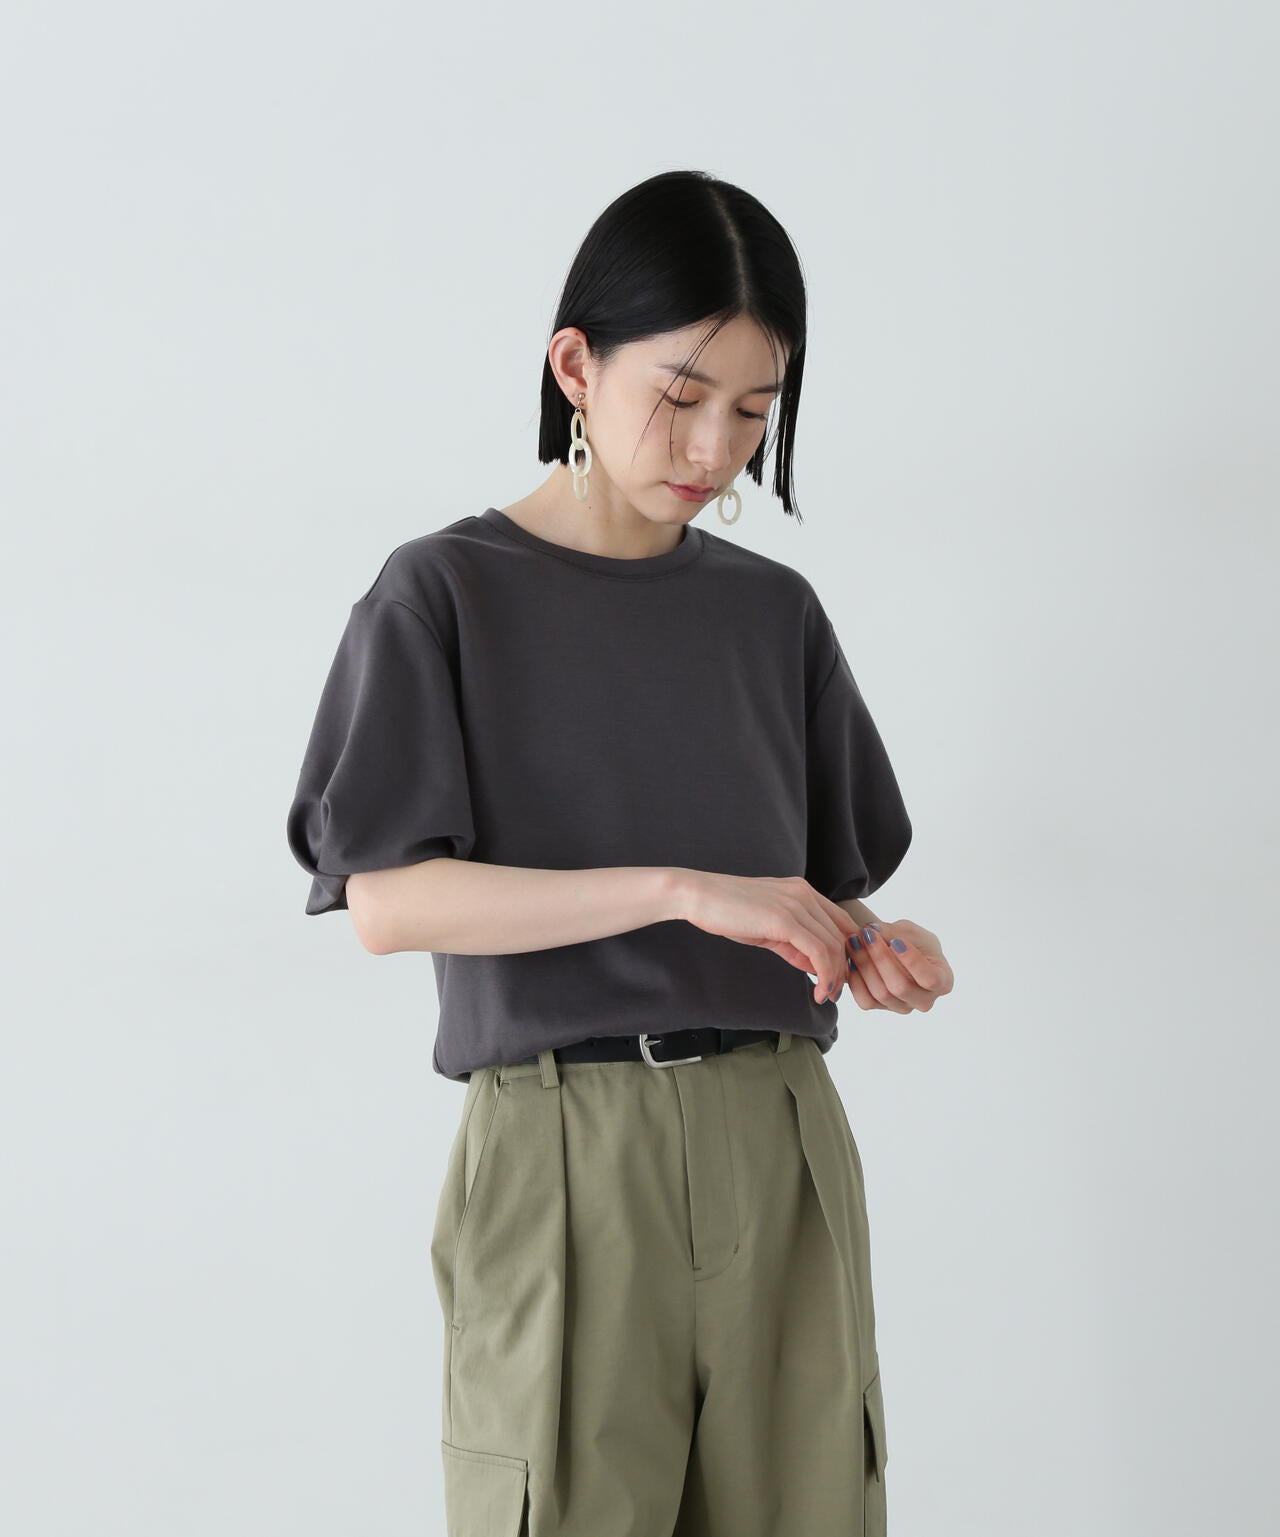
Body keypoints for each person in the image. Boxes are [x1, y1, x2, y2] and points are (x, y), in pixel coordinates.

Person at [286, 169, 953, 1537]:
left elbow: (818, 886)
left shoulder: (772, 614)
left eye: (754, 411)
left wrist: (878, 943)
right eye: (682, 394)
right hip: (563, 1145)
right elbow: (389, 901)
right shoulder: (444, 593)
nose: (713, 447)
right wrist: (677, 890)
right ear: (575, 366)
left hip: (777, 1130)